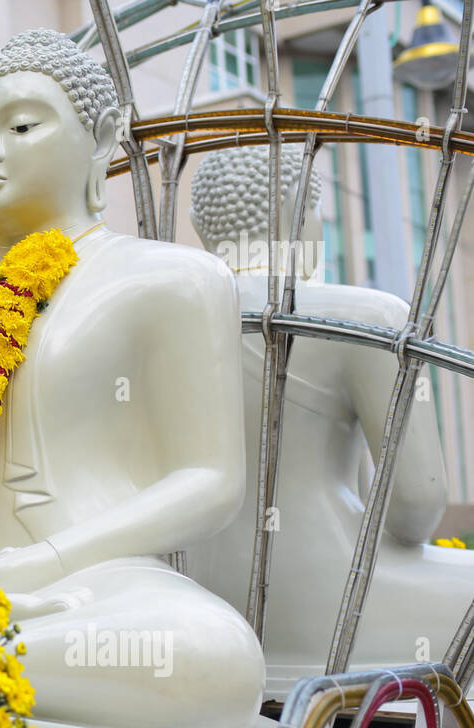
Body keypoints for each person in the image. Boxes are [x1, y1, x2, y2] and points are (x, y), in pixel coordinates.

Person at [0, 28, 265, 728]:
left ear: (101, 139)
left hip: (93, 589)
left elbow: (211, 479)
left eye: (22, 125)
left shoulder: (171, 277)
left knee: (213, 658)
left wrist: (40, 565)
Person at [187, 145, 474, 694]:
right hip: (337, 603)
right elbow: (416, 506)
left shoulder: (166, 318)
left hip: (203, 610)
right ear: (299, 208)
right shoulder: (365, 316)